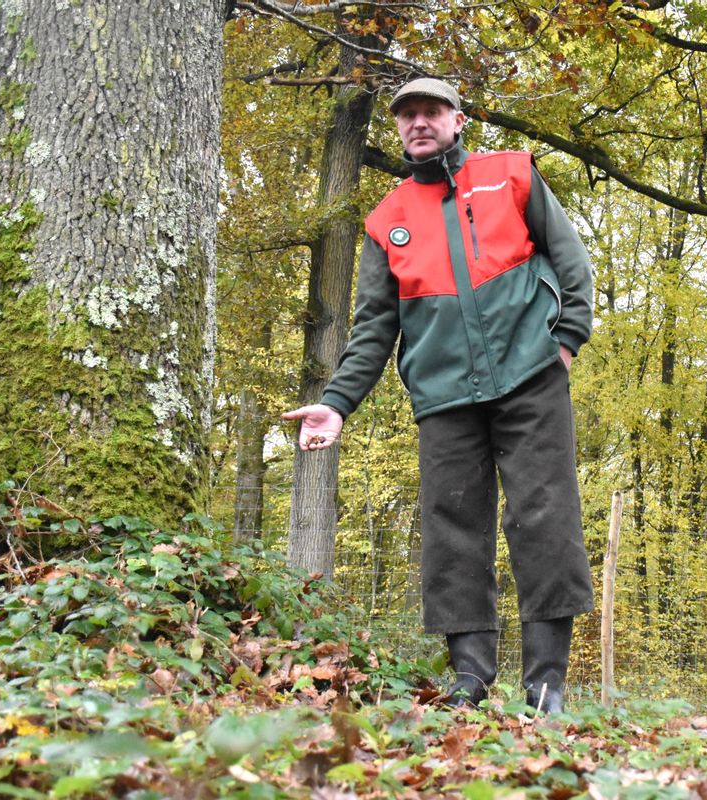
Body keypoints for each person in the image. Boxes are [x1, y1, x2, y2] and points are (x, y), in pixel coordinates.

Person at [282, 77, 595, 714]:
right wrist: (336, 403)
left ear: (457, 120)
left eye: (431, 112)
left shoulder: (512, 174)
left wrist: (565, 340)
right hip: (444, 395)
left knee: (544, 518)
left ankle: (546, 685)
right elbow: (374, 327)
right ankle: (470, 678)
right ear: (398, 129)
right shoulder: (386, 219)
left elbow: (570, 260)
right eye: (407, 116)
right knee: (452, 529)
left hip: (531, 378)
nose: (418, 123)